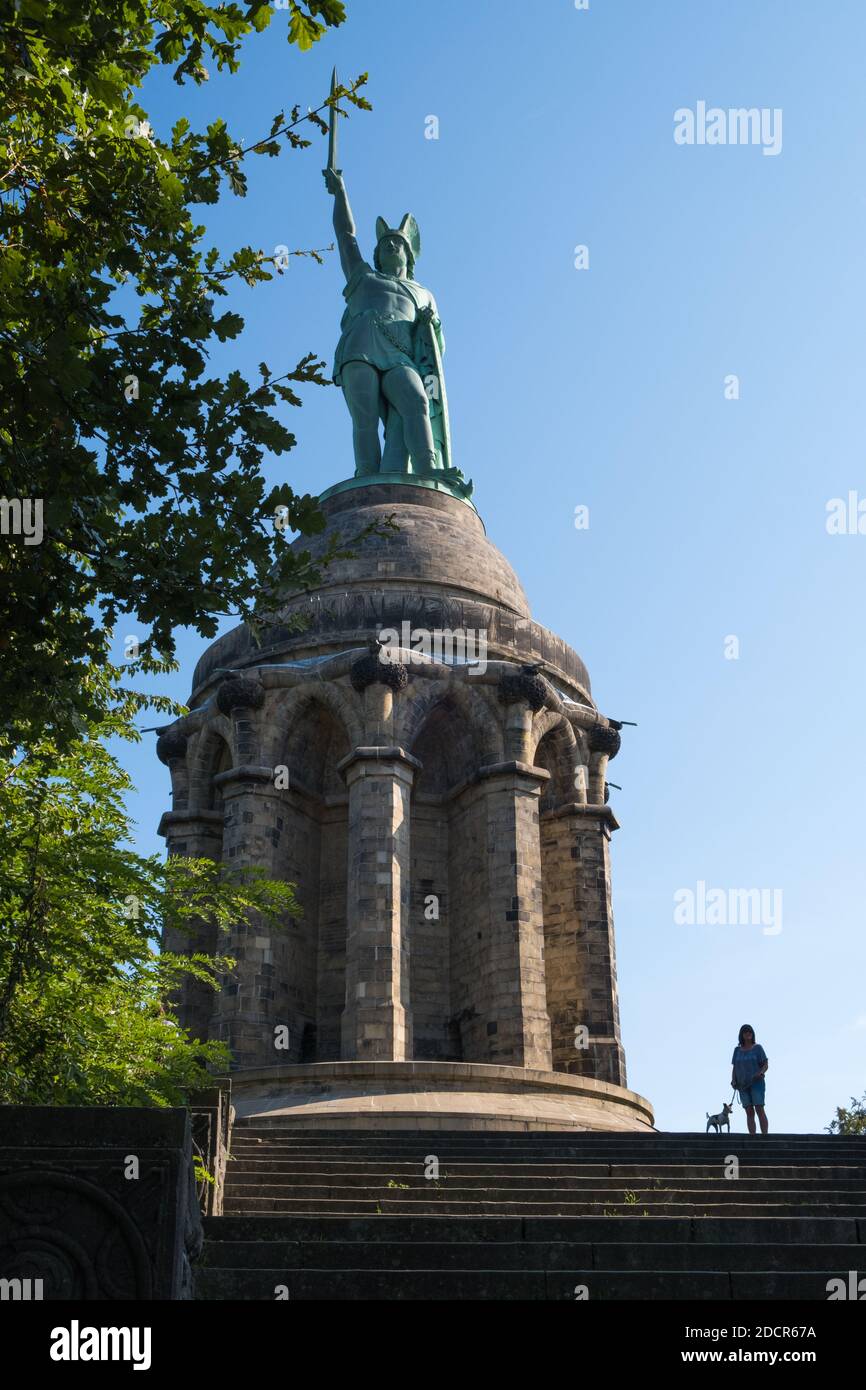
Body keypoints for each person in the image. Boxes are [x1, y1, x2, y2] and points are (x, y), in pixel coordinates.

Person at [731, 1024, 769, 1135]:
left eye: (750, 1032)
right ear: (741, 1035)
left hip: (756, 1082)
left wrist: (760, 1073)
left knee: (759, 1108)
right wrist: (733, 1080)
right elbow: (734, 1067)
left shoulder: (758, 1048)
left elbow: (765, 1064)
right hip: (742, 1084)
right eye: (745, 1032)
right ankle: (752, 1136)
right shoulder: (737, 1050)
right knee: (749, 1111)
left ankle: (765, 1135)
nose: (748, 1034)